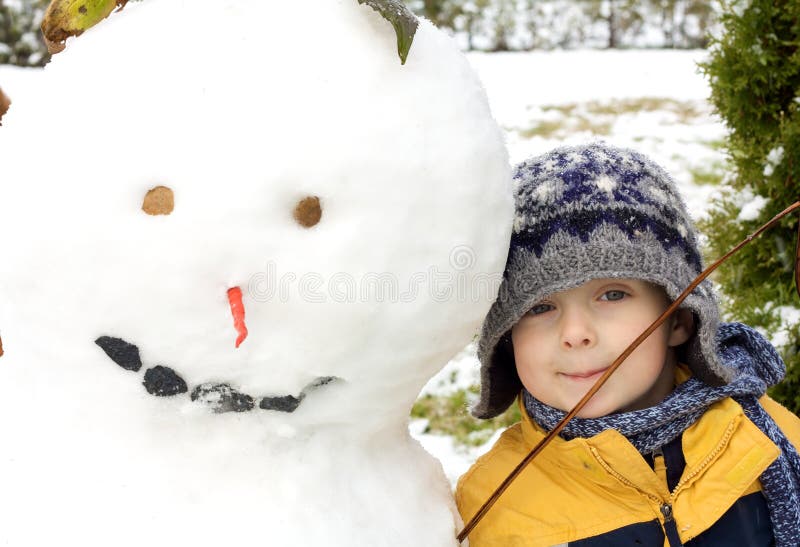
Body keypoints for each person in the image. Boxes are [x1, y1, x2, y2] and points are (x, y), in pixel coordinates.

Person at [456, 142, 800, 547]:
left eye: (612, 295)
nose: (575, 333)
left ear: (679, 318)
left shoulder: (768, 443)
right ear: (505, 337)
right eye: (540, 306)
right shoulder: (492, 508)